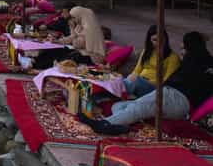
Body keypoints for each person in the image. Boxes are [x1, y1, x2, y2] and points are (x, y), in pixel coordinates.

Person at [80, 31, 213, 135]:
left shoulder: (198, 60)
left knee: (138, 107)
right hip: (171, 96)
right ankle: (120, 126)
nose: (182, 52)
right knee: (121, 105)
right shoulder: (198, 62)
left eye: (184, 48)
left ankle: (105, 124)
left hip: (177, 98)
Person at [124, 25, 181, 97]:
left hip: (155, 88)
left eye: (161, 38)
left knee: (133, 81)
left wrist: (144, 80)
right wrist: (132, 77)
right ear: (149, 40)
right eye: (155, 40)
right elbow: (137, 70)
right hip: (139, 81)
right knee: (120, 79)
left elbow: (167, 81)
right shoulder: (146, 51)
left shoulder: (173, 57)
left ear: (166, 38)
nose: (159, 42)